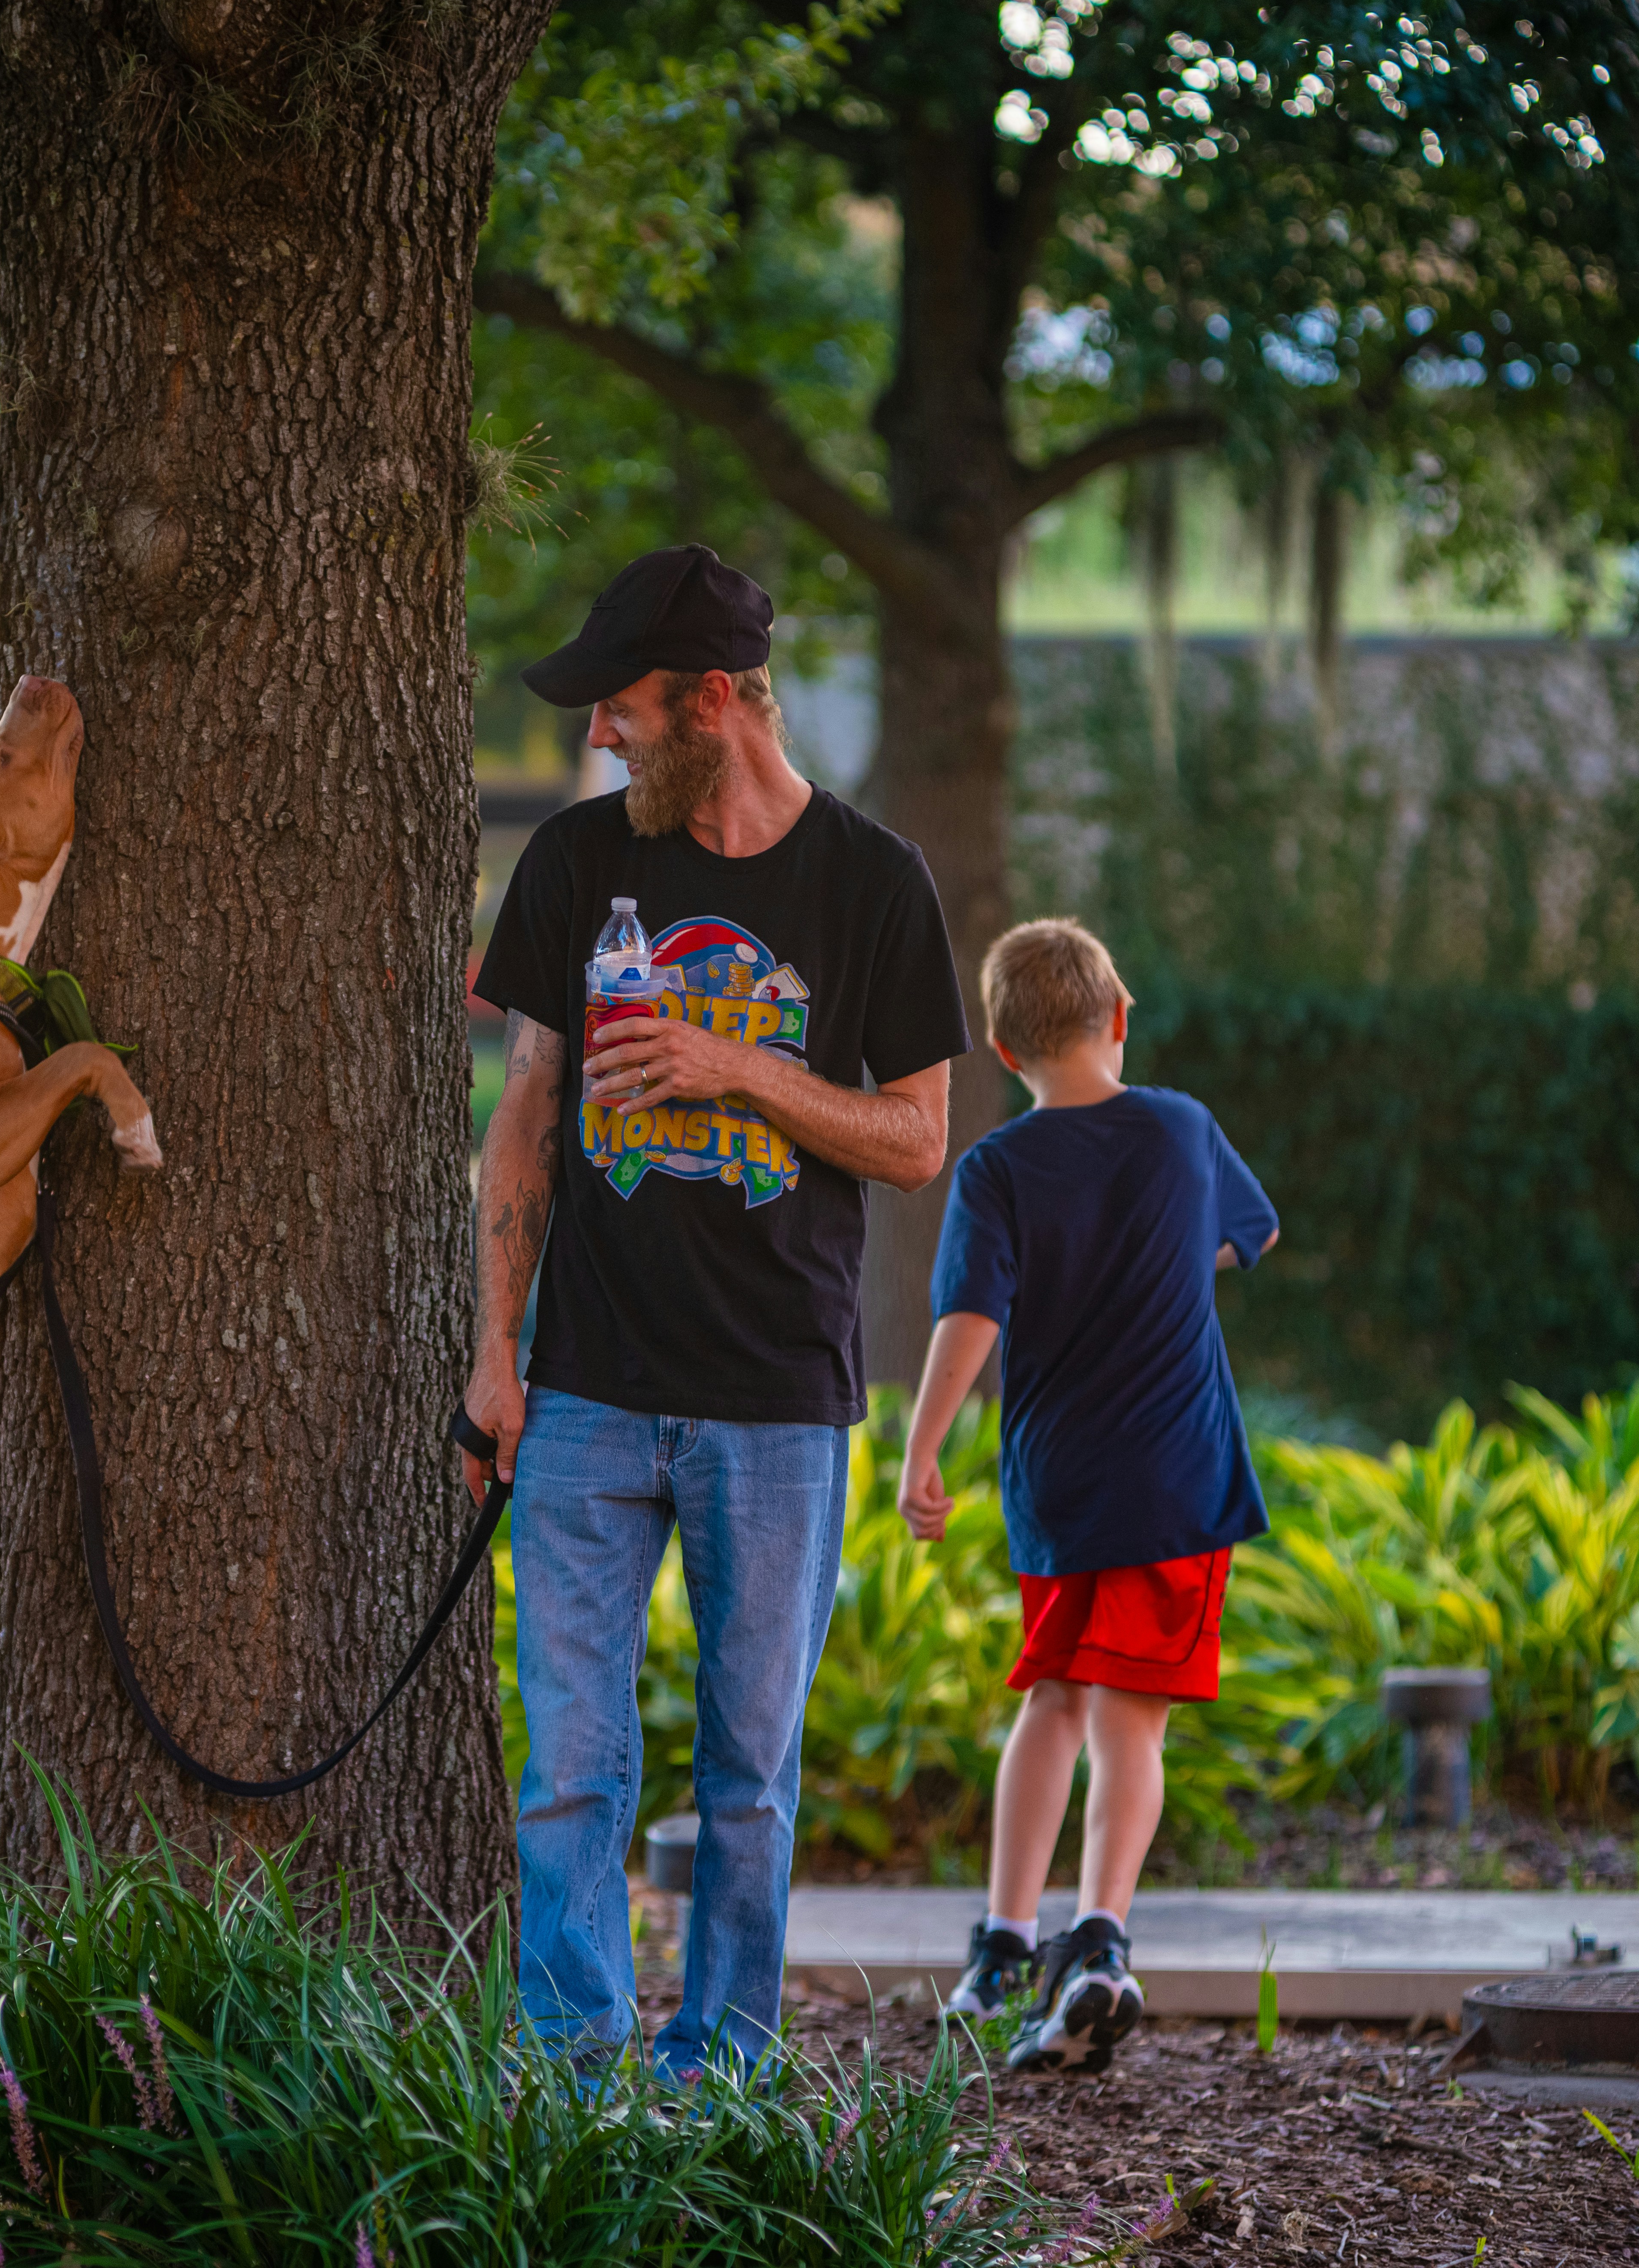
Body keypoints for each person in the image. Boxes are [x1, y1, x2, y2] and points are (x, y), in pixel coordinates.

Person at [462, 544, 969, 2083]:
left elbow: (917, 1137)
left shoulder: (872, 883)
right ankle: (574, 2076)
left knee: (748, 1780)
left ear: (706, 701)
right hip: (585, 1390)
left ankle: (724, 2076)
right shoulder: (572, 863)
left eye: (615, 709)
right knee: (570, 1769)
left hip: (776, 1400)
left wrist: (733, 1064)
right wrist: (493, 1349)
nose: (596, 739)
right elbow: (526, 1110)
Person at [900, 920, 1279, 2073]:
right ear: (1119, 1019)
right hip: (1178, 1477)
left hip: (1059, 1480)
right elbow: (1248, 1236)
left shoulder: (999, 1170)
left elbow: (969, 1323)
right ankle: (1102, 1946)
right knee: (1131, 1720)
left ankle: (1001, 1947)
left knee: (1053, 1700)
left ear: (1005, 1051)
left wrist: (923, 1453)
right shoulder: (1182, 1129)